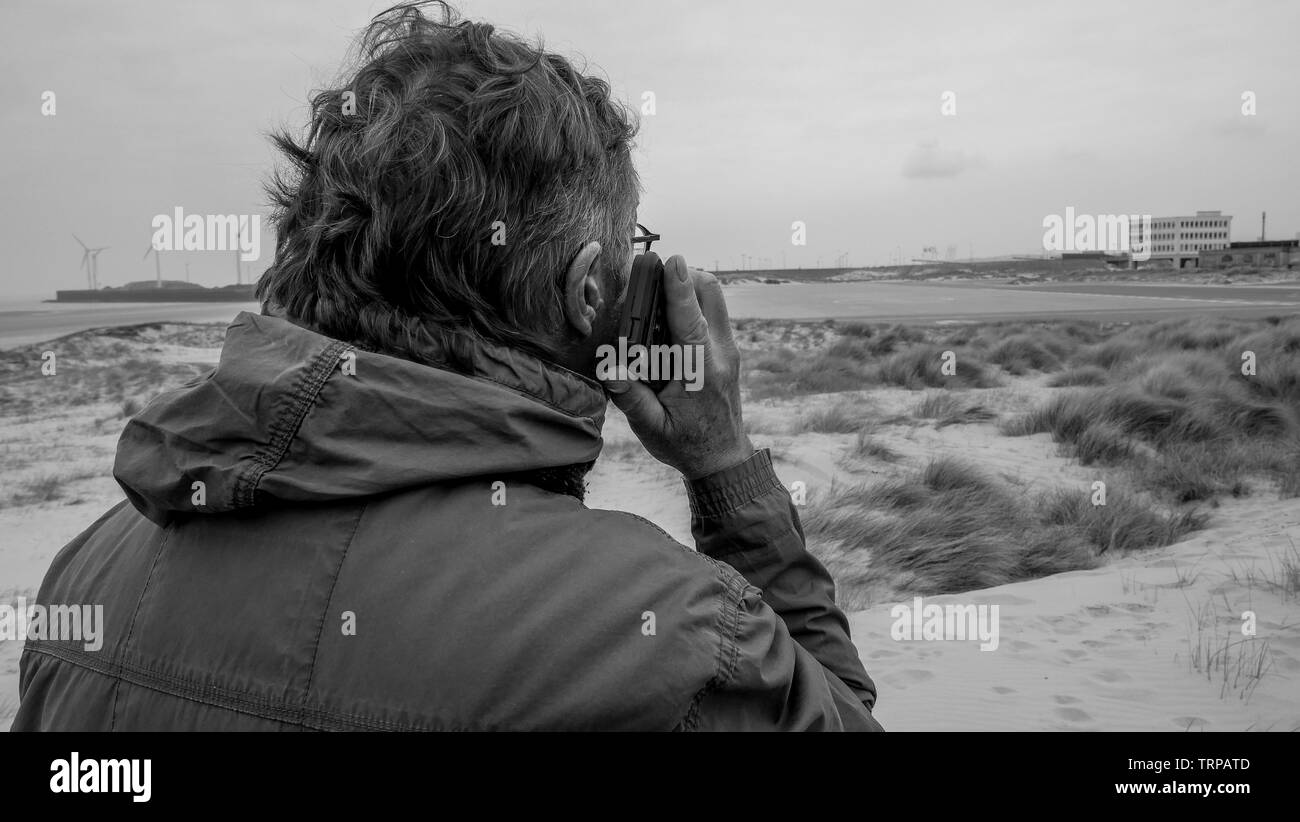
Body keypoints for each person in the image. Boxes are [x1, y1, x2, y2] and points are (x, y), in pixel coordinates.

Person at [12, 0, 881, 731]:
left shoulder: (85, 581)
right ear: (588, 292)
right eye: (630, 250)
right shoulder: (670, 640)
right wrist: (725, 470)